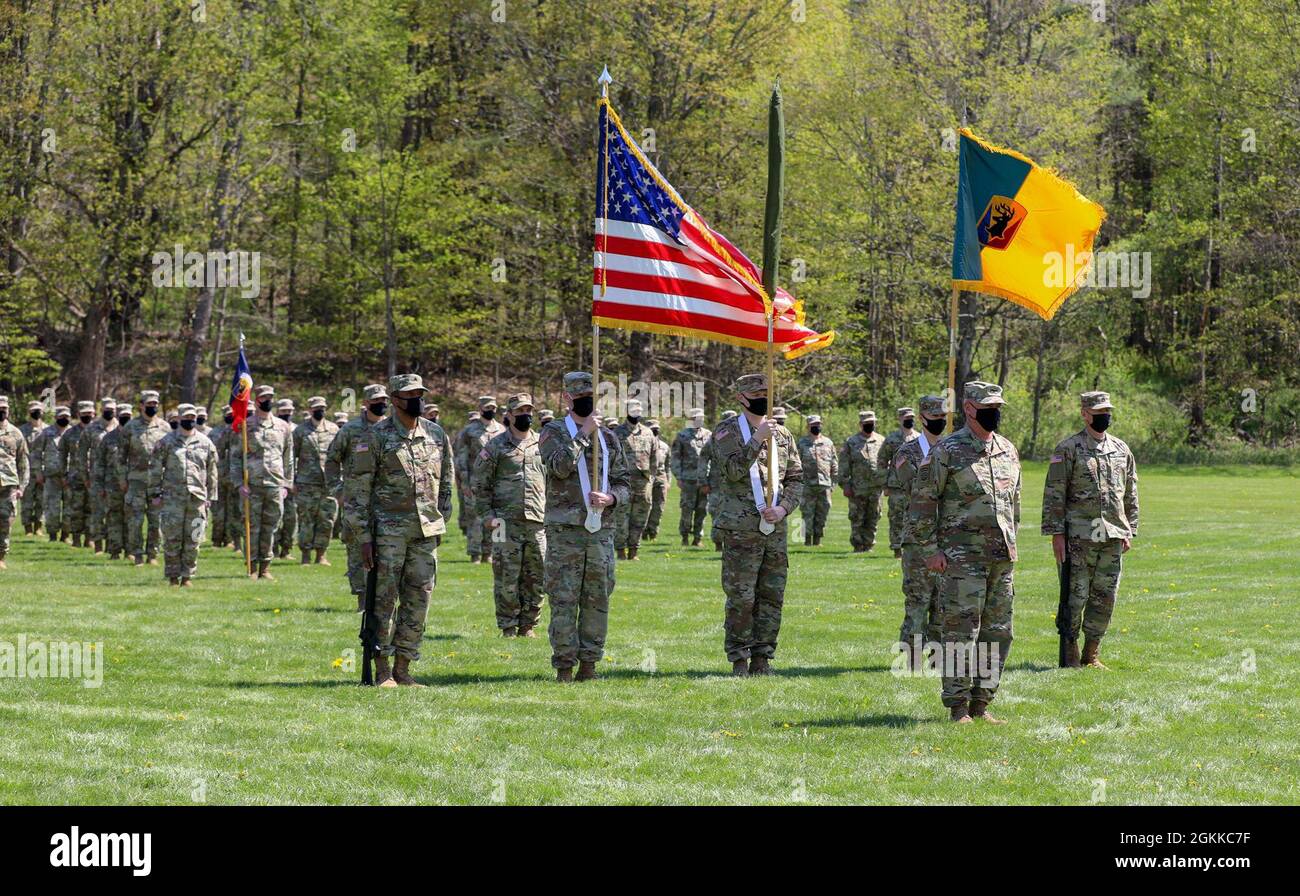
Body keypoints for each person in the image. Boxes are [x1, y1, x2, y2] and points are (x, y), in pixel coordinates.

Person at [911, 382, 1021, 724]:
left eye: (998, 405)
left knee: (998, 632)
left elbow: (1013, 504)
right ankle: (958, 706)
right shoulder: (947, 450)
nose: (996, 412)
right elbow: (921, 504)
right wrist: (930, 550)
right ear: (970, 408)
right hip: (961, 560)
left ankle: (981, 704)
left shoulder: (1007, 449)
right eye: (989, 406)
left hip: (1001, 560)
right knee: (960, 633)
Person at [348, 374, 453, 687]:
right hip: (388, 533)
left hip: (425, 530)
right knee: (383, 600)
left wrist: (440, 518)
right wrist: (365, 538)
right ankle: (381, 668)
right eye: (410, 395)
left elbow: (446, 481)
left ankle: (404, 667)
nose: (416, 400)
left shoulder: (436, 433)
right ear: (394, 399)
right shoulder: (376, 437)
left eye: (420, 394)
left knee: (419, 598)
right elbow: (357, 492)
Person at [538, 371, 629, 682]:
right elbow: (558, 467)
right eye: (579, 396)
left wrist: (611, 497)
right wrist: (582, 434)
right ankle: (564, 666)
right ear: (567, 398)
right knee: (563, 599)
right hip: (566, 532)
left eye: (590, 394)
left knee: (597, 598)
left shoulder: (610, 438)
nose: (586, 400)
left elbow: (625, 483)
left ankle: (589, 665)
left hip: (600, 532)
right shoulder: (552, 432)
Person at [711, 375, 803, 675]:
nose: (763, 396)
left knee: (771, 595)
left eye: (767, 392)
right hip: (740, 529)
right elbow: (733, 470)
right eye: (756, 393)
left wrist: (784, 507)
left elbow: (795, 479)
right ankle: (739, 657)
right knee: (741, 596)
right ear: (741, 397)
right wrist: (756, 439)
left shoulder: (784, 435)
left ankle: (763, 657)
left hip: (774, 530)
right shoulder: (726, 432)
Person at [1041, 391, 1139, 670]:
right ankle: (1069, 651)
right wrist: (1056, 534)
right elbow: (1054, 495)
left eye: (1107, 411)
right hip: (1078, 538)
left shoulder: (1121, 449)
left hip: (1112, 536)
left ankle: (1091, 653)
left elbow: (1130, 491)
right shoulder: (1068, 449)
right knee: (1075, 596)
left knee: (1105, 597)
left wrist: (1129, 529)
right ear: (1084, 414)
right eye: (1098, 412)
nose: (1103, 416)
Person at [472, 392, 547, 638]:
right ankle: (508, 626)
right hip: (504, 521)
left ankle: (528, 625)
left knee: (537, 576)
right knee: (506, 575)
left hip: (537, 521)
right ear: (509, 415)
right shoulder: (495, 445)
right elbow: (480, 484)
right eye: (520, 411)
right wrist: (487, 516)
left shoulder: (543, 444)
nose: (525, 415)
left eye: (529, 411)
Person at [888, 396, 947, 669]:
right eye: (934, 418)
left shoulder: (952, 448)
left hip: (948, 538)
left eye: (943, 417)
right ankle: (909, 659)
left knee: (943, 602)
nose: (940, 422)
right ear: (922, 419)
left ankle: (938, 659)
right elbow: (917, 492)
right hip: (917, 539)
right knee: (917, 600)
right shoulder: (907, 453)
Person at [326, 384, 389, 610]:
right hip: (356, 503)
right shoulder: (350, 430)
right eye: (376, 400)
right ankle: (362, 600)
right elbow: (332, 460)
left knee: (388, 550)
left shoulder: (394, 429)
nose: (382, 404)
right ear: (365, 403)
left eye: (384, 399)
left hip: (387, 502)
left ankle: (383, 599)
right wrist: (338, 491)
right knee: (356, 550)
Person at [149, 404, 218, 586]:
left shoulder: (205, 442)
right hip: (172, 499)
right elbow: (155, 468)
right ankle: (173, 576)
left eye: (193, 417)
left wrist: (211, 496)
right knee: (172, 539)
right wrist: (155, 493)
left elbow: (212, 471)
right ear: (179, 419)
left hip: (197, 500)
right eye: (186, 417)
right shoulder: (166, 442)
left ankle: (187, 576)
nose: (190, 420)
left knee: (193, 539)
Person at [231, 385, 294, 580]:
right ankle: (251, 566)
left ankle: (265, 567)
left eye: (271, 397)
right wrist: (238, 483)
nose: (268, 400)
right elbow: (234, 458)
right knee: (251, 527)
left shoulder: (283, 427)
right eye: (264, 397)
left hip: (274, 484)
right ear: (256, 400)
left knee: (271, 527)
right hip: (252, 485)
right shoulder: (245, 425)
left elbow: (288, 457)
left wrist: (286, 484)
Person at [120, 391, 170, 564]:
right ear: (141, 405)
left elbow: (170, 456)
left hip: (158, 483)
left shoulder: (165, 427)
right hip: (136, 482)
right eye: (149, 404)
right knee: (136, 521)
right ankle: (137, 554)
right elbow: (121, 456)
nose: (152, 407)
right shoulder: (130, 427)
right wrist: (122, 479)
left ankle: (153, 554)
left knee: (156, 521)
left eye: (155, 404)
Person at [455, 398, 504, 563]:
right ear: (480, 408)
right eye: (488, 407)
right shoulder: (469, 431)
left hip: (495, 482)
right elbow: (461, 458)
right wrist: (464, 482)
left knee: (494, 517)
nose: (491, 409)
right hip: (475, 482)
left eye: (494, 407)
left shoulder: (502, 430)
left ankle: (489, 553)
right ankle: (475, 553)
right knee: (474, 519)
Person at [292, 396, 340, 565]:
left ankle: (321, 554)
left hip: (329, 483)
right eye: (316, 408)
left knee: (327, 520)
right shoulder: (300, 431)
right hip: (307, 483)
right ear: (310, 410)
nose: (320, 410)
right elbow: (292, 457)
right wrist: (293, 481)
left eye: (323, 407)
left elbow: (339, 455)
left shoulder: (334, 429)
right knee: (306, 519)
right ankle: (305, 554)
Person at [611, 399, 655, 561]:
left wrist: (652, 479)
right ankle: (621, 550)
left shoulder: (648, 432)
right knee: (622, 516)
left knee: (640, 516)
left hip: (643, 482)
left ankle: (634, 549)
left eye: (639, 409)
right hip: (623, 482)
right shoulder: (616, 433)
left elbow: (654, 458)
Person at [839, 410, 886, 553]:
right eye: (867, 423)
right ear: (861, 424)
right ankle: (858, 546)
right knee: (857, 518)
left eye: (872, 423)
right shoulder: (851, 442)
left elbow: (886, 463)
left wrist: (886, 482)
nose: (869, 425)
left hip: (876, 488)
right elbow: (844, 466)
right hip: (857, 488)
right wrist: (845, 485)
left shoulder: (881, 440)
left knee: (873, 517)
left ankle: (869, 544)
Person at [878, 407, 920, 558]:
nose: (910, 420)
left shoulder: (920, 438)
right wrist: (884, 485)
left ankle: (913, 548)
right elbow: (882, 461)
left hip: (915, 486)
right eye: (907, 417)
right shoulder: (892, 439)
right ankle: (897, 549)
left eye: (912, 417)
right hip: (896, 486)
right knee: (896, 518)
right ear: (900, 419)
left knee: (914, 518)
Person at [59, 400, 97, 548]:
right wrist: (63, 475)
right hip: (75, 477)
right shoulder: (70, 433)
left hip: (94, 477)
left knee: (92, 509)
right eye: (84, 413)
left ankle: (89, 539)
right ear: (78, 414)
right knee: (76, 509)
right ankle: (75, 539)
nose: (87, 415)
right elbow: (62, 455)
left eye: (89, 413)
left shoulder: (98, 432)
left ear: (94, 413)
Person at [671, 408, 710, 547]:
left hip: (704, 479)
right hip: (688, 479)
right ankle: (685, 536)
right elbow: (675, 458)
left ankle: (698, 538)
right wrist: (678, 477)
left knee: (702, 509)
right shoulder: (682, 436)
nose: (699, 420)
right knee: (687, 509)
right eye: (696, 418)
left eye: (701, 417)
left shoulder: (708, 435)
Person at [796, 414, 837, 546]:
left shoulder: (828, 443)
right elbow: (795, 464)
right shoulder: (802, 443)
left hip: (824, 484)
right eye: (813, 425)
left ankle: (818, 540)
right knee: (807, 513)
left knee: (822, 513)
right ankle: (807, 540)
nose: (816, 427)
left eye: (818, 425)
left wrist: (833, 483)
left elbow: (834, 464)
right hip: (807, 485)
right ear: (808, 426)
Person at [0, 396, 30, 570]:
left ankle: (1, 556)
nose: (2, 410)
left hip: (8, 486)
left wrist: (22, 487)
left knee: (5, 521)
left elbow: (23, 462)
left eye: (4, 408)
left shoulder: (16, 433)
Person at [86, 398, 118, 553]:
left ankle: (112, 546)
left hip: (116, 478)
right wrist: (85, 476)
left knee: (114, 513)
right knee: (98, 512)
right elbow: (81, 453)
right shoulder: (92, 428)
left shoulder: (121, 427)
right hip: (97, 476)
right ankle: (98, 545)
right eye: (107, 409)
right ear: (101, 410)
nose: (110, 412)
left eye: (112, 409)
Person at [101, 404, 132, 559]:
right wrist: (99, 485)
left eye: (128, 415)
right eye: (123, 415)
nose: (126, 418)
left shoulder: (136, 436)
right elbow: (99, 463)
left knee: (131, 518)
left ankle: (130, 550)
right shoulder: (108, 438)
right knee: (114, 517)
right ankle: (114, 550)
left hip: (132, 484)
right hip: (112, 485)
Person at [38, 405, 72, 542]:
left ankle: (65, 535)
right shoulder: (46, 433)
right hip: (51, 476)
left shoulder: (73, 433)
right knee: (52, 507)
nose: (64, 419)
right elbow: (36, 454)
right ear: (56, 417)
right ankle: (52, 535)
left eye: (66, 416)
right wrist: (38, 472)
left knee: (70, 508)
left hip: (70, 477)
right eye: (61, 416)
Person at [273, 399, 298, 558]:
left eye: (289, 411)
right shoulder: (275, 428)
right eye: (283, 411)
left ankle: (286, 549)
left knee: (291, 518)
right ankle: (272, 548)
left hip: (292, 481)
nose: (286, 414)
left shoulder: (298, 429)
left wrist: (292, 481)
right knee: (275, 517)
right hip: (275, 479)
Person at [19, 401, 44, 536]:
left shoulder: (47, 430)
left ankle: (38, 526)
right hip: (27, 470)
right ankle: (28, 528)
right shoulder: (22, 430)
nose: (37, 413)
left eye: (38, 410)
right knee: (27, 500)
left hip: (42, 470)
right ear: (29, 413)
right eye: (34, 411)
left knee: (41, 499)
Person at [644, 419, 671, 541]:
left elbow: (668, 465)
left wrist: (668, 481)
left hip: (660, 478)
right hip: (646, 478)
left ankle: (653, 532)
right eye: (652, 429)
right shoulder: (643, 445)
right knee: (645, 505)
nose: (655, 431)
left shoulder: (665, 446)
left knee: (659, 507)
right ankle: (643, 532)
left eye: (656, 430)